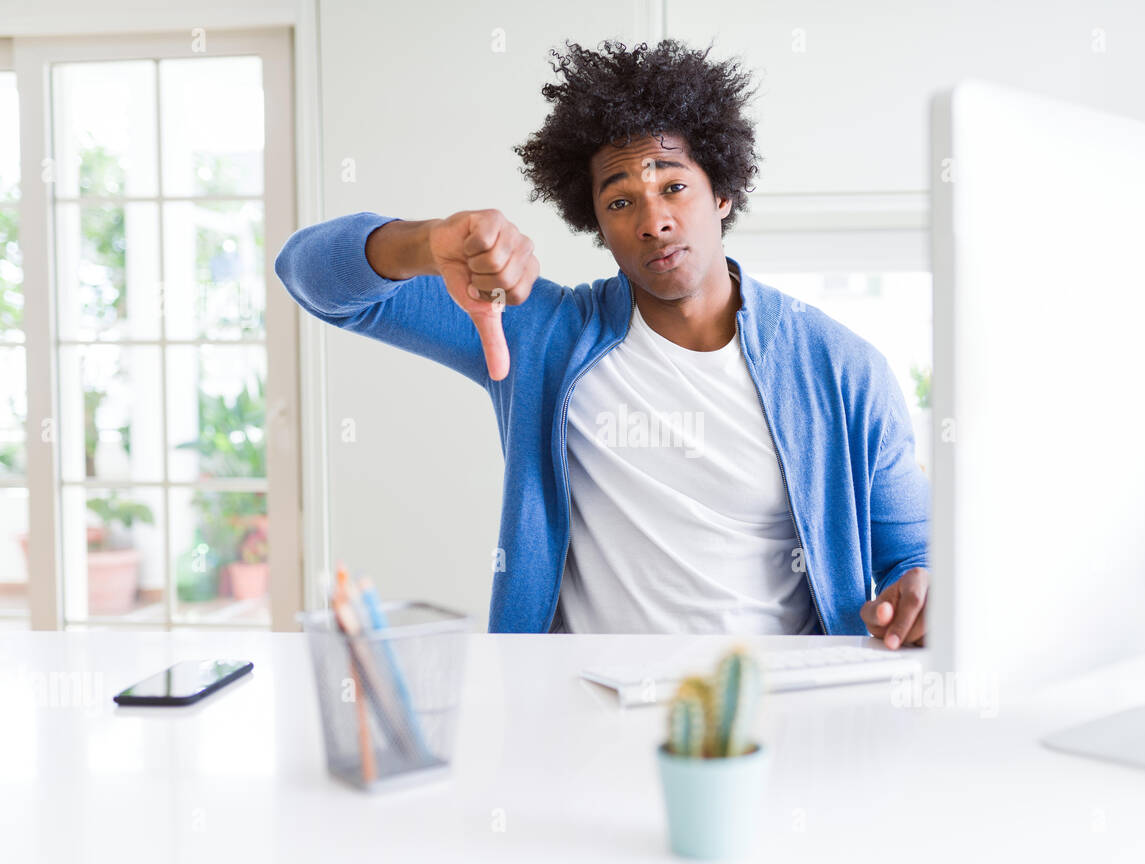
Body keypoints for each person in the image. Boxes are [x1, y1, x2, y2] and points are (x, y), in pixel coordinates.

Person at [274, 38, 929, 644]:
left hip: (774, 721)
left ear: (722, 192)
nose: (654, 221)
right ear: (595, 221)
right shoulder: (537, 333)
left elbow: (915, 554)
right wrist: (425, 241)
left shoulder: (841, 368)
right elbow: (307, 275)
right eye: (620, 202)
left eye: (674, 185)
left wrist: (921, 592)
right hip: (579, 717)